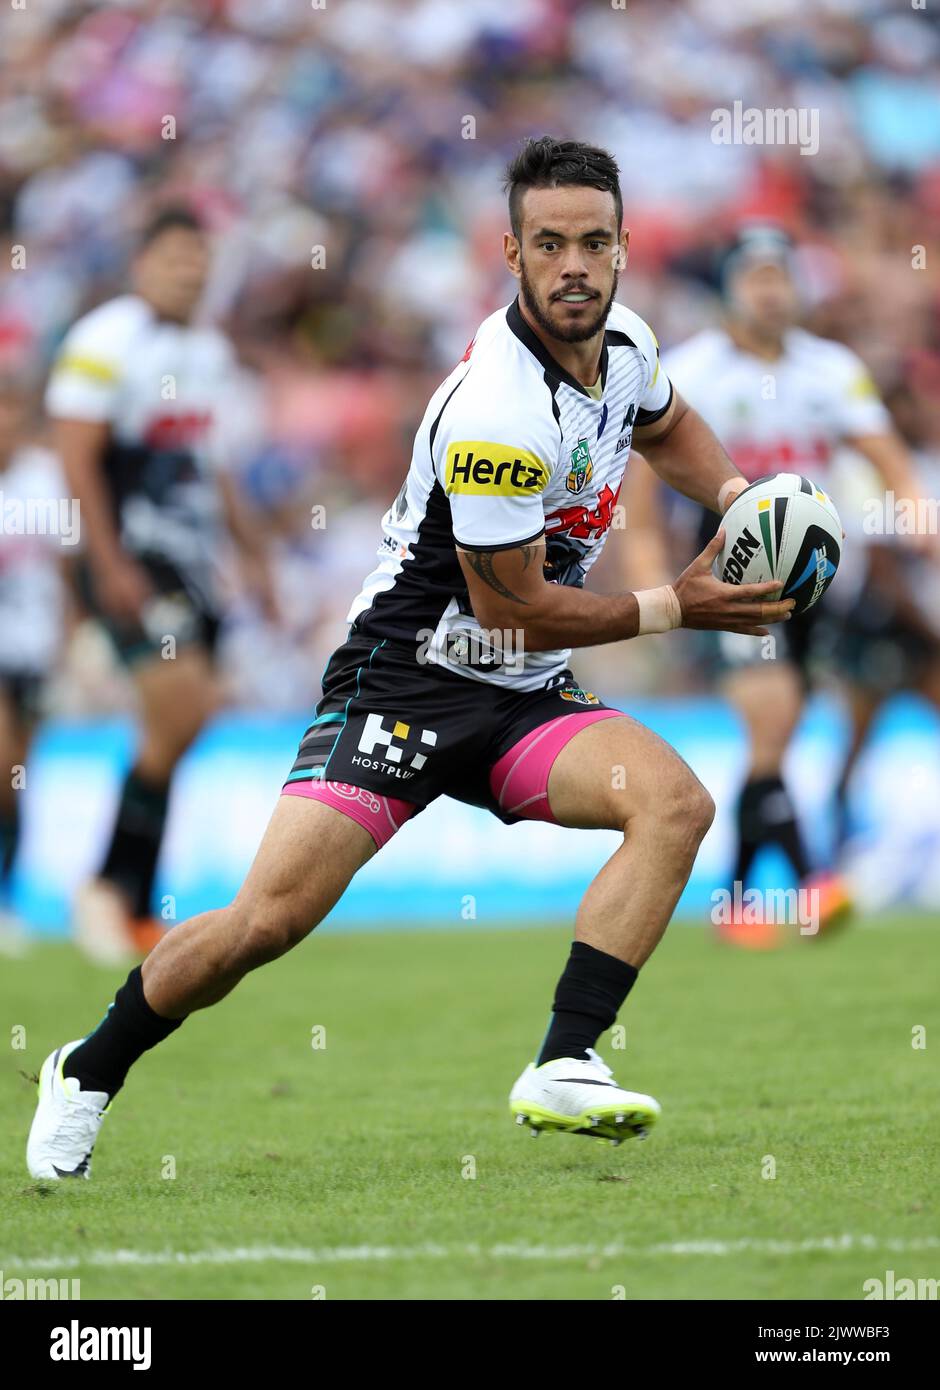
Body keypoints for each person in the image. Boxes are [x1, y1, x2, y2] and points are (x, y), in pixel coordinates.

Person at [27, 137, 793, 1180]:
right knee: (265, 922)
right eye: (551, 243)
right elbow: (512, 610)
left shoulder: (626, 346)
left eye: (596, 243)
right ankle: (88, 1067)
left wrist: (747, 502)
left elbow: (670, 426)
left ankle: (565, 1059)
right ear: (510, 254)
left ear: (622, 252)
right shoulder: (496, 411)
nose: (575, 264)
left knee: (673, 805)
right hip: (405, 683)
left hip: (516, 696)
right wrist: (678, 605)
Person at [622, 225, 923, 946]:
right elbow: (642, 491)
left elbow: (885, 452)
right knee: (775, 717)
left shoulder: (830, 368)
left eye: (779, 275)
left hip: (817, 585)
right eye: (755, 276)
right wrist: (647, 587)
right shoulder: (690, 370)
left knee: (774, 741)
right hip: (729, 576)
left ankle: (737, 902)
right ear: (730, 288)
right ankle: (814, 882)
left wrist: (914, 509)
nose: (770, 289)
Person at [44, 207, 274, 965]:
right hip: (132, 553)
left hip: (190, 556)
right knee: (178, 710)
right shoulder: (105, 340)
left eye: (199, 260)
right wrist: (108, 565)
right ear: (142, 264)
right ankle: (108, 888)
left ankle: (134, 898)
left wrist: (253, 557)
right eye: (176, 259)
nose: (190, 272)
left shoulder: (206, 349)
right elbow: (77, 458)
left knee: (187, 721)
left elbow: (213, 464)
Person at [0, 378, 68, 942]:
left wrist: (69, 640)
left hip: (33, 648)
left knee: (18, 777)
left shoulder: (44, 480)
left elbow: (68, 569)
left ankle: (8, 896)